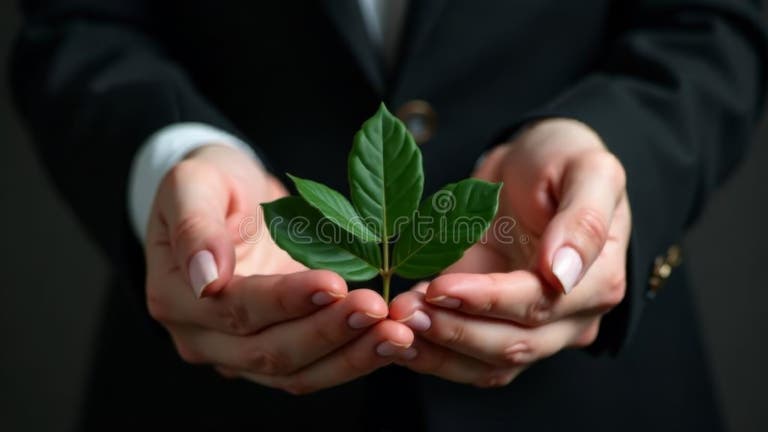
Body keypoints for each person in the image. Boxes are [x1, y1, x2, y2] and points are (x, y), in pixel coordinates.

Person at [10, 0, 767, 430]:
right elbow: (77, 21)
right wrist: (172, 157)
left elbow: (712, 22)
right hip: (216, 389)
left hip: (593, 400)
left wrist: (608, 151)